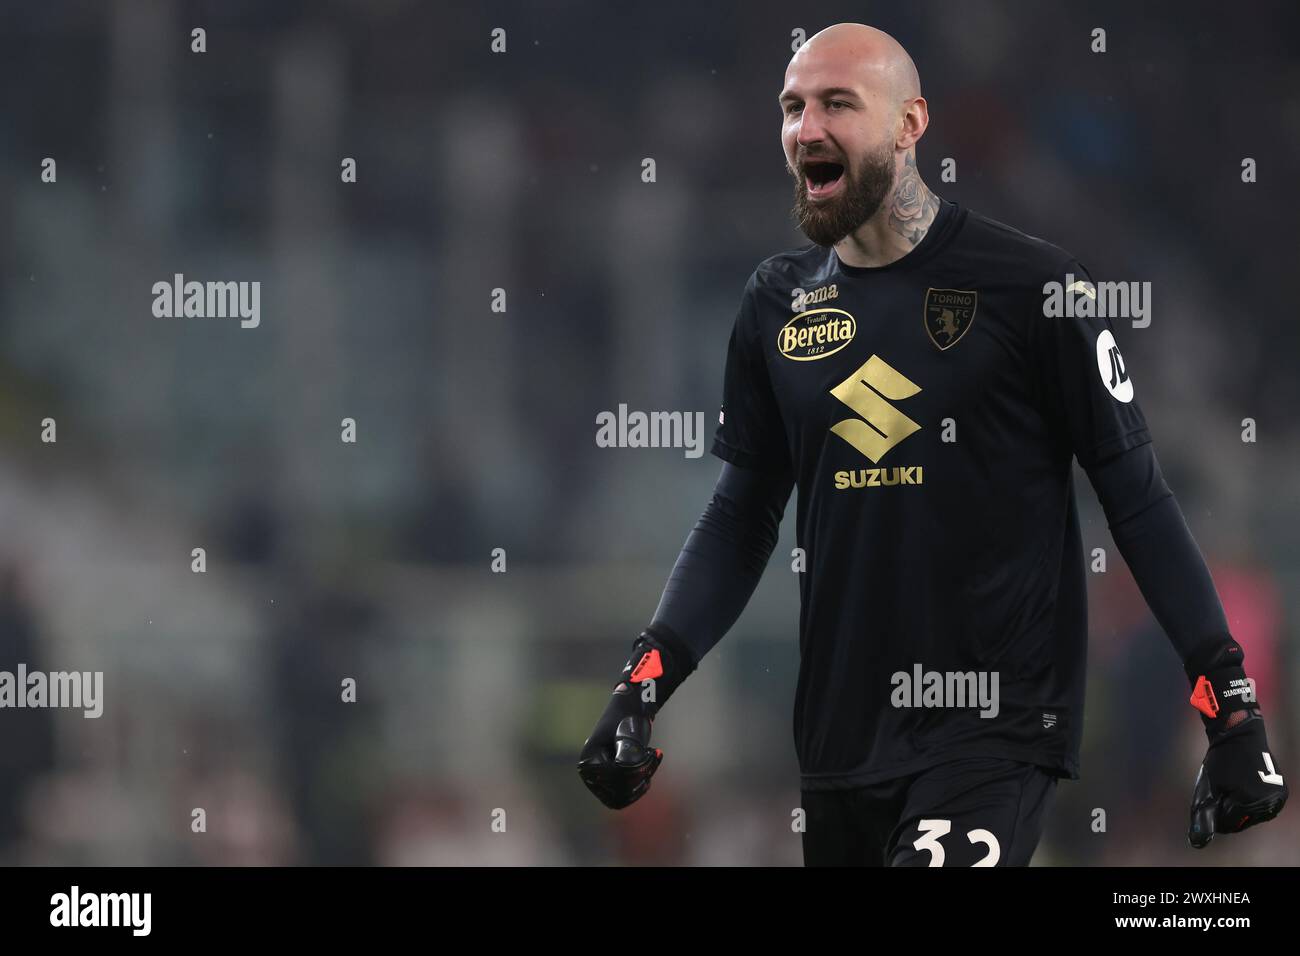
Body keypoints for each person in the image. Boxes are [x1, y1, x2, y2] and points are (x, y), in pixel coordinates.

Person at [577, 22, 1287, 865]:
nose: (808, 128)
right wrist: (643, 683)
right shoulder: (776, 304)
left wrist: (1230, 706)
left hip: (993, 733)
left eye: (839, 103)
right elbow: (738, 522)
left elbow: (1138, 498)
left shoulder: (1036, 289)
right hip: (841, 748)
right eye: (793, 107)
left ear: (911, 124)